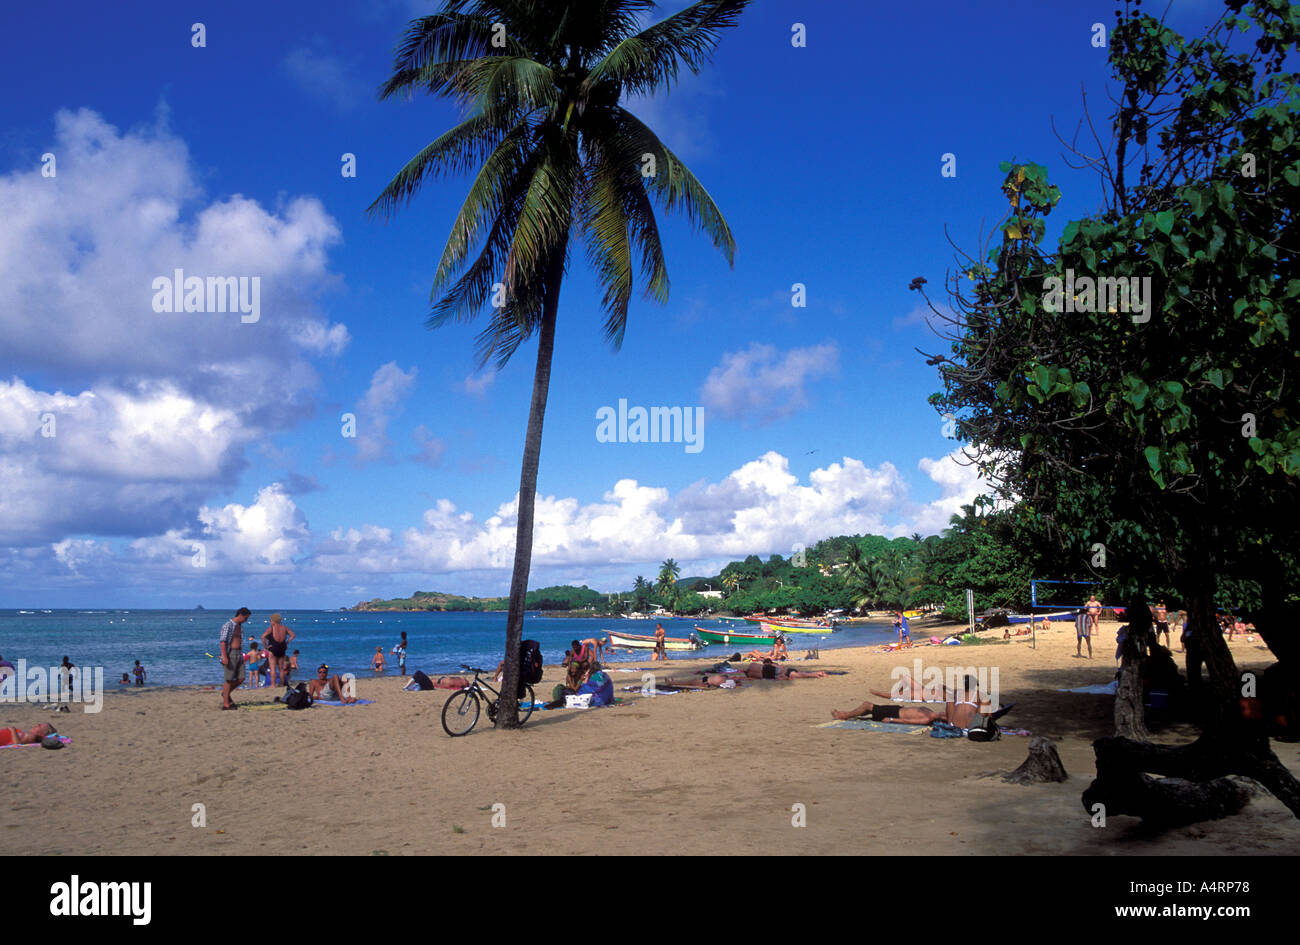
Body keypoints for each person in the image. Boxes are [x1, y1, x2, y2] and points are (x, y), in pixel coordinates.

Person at [832, 673, 990, 726]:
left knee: (868, 706)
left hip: (898, 712)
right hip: (900, 709)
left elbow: (914, 722)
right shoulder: (932, 713)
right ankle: (849, 714)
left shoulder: (928, 716)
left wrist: (893, 719)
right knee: (871, 709)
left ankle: (845, 715)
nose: (943, 714)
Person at [219, 607, 251, 709]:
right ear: (240, 615)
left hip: (239, 653)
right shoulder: (228, 625)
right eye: (246, 618)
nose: (246, 620)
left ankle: (225, 693)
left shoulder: (239, 626)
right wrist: (224, 656)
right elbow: (223, 641)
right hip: (231, 653)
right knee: (229, 679)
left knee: (241, 678)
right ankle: (226, 704)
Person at [261, 613, 296, 687]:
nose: (270, 621)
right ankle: (281, 683)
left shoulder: (271, 628)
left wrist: (265, 647)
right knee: (281, 668)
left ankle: (273, 684)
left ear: (273, 621)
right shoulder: (284, 628)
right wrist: (287, 642)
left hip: (273, 647)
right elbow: (293, 635)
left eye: (270, 620)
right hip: (282, 648)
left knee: (272, 667)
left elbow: (262, 637)